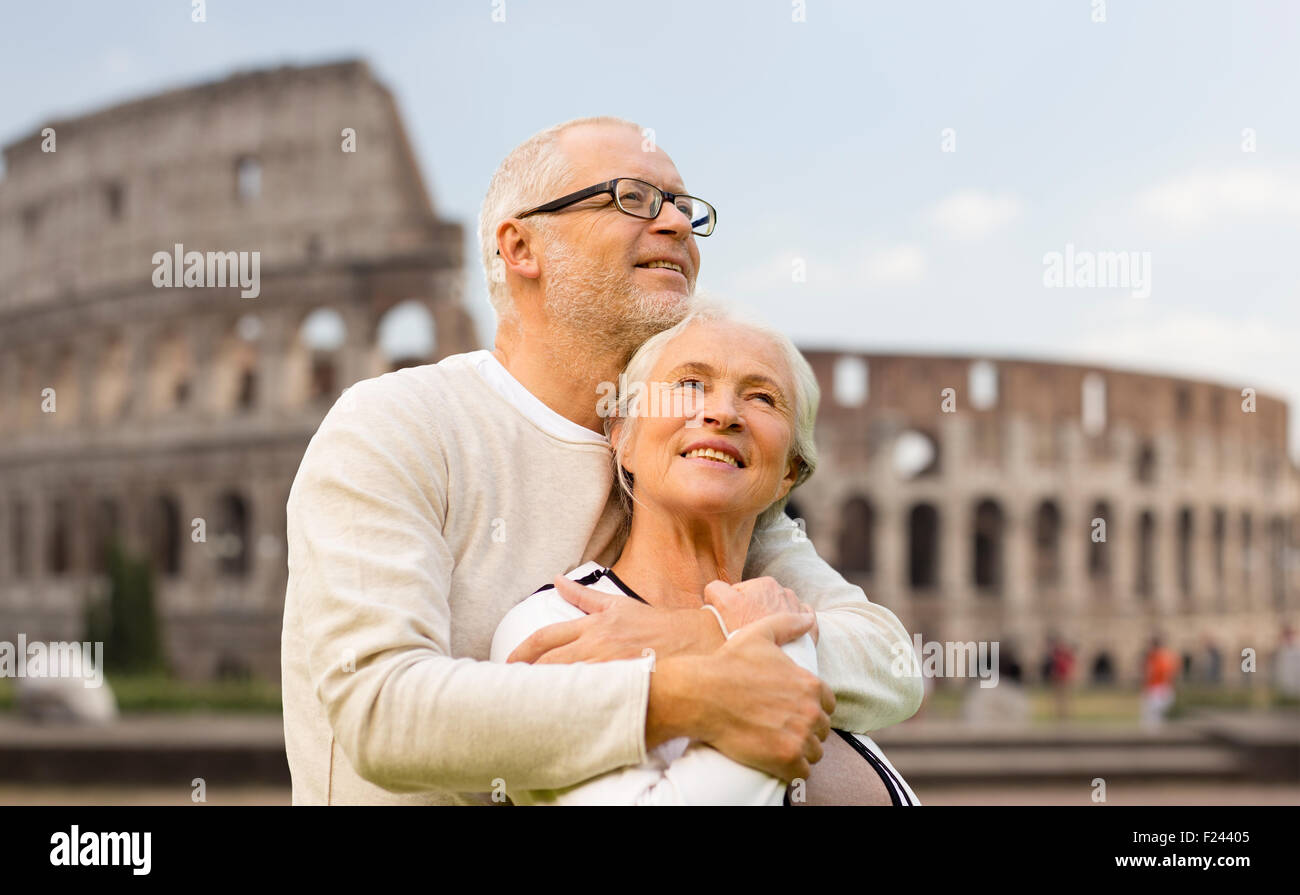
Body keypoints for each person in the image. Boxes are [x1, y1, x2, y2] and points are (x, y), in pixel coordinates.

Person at [280, 116, 923, 804]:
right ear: (521, 245)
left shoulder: (689, 465)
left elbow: (888, 660)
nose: (676, 222)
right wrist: (683, 692)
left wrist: (693, 634)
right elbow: (382, 709)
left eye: (682, 205)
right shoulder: (398, 424)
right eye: (633, 198)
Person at [492, 301, 918, 805]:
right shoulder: (557, 622)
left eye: (762, 397)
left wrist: (721, 633)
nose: (721, 413)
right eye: (688, 385)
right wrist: (776, 644)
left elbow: (897, 670)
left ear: (789, 471)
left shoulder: (794, 614)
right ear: (623, 437)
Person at [1141, 635, 1179, 728]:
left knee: (1154, 719)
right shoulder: (1157, 657)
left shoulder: (1161, 658)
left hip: (1159, 690)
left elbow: (1166, 675)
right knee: (1152, 718)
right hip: (1157, 689)